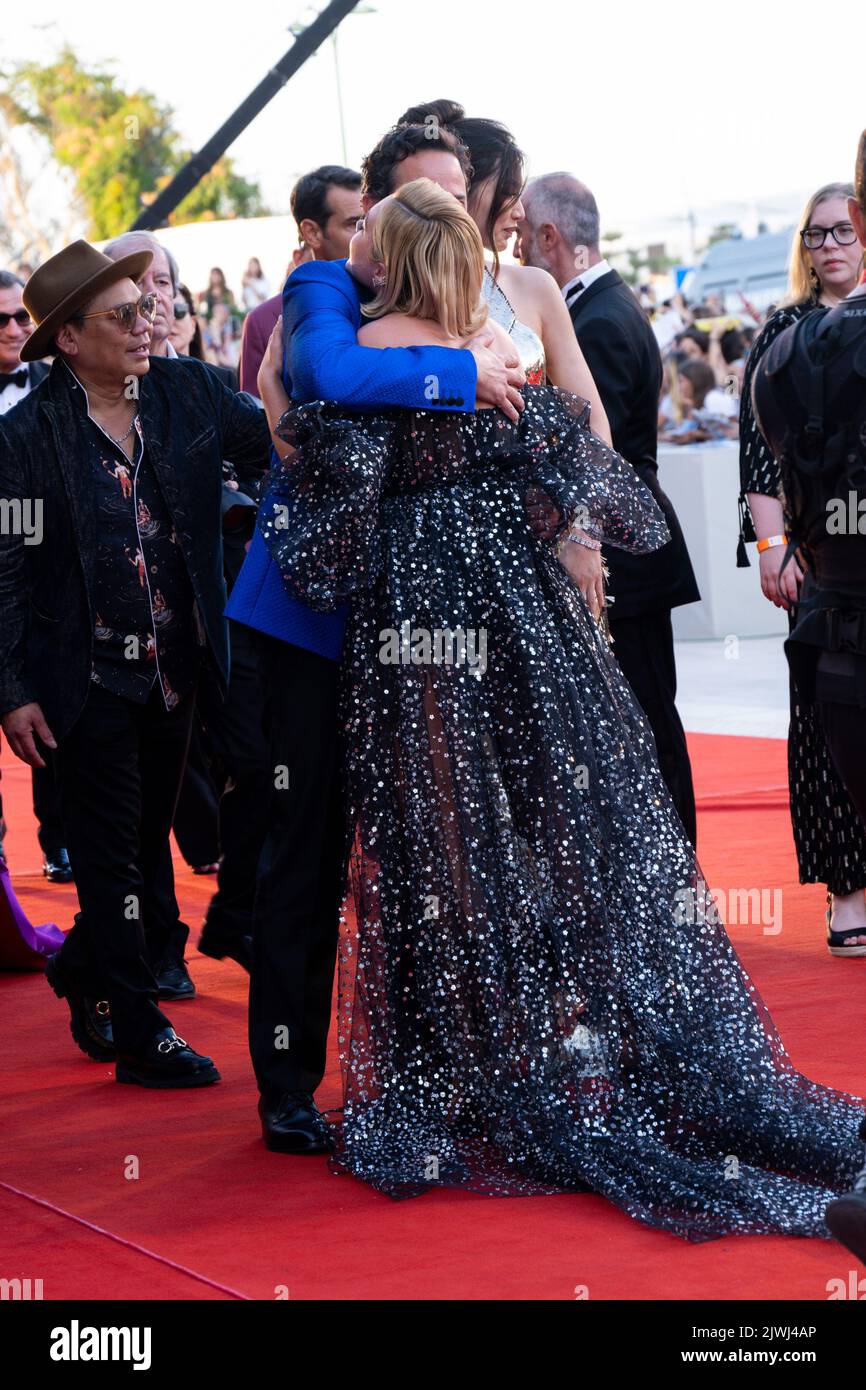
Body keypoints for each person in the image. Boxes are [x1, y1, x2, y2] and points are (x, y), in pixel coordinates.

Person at [257, 177, 866, 1241]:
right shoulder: (485, 356)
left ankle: (465, 1072)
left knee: (436, 847)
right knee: (571, 829)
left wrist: (309, 450)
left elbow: (319, 553)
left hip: (415, 638)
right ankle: (572, 1048)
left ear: (386, 259)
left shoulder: (370, 366)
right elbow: (603, 491)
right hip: (528, 628)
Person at [227, 119, 526, 1156]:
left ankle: (438, 1070)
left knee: (424, 852)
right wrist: (456, 375)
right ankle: (286, 1083)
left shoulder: (475, 311)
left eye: (446, 204)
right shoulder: (317, 291)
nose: (418, 223)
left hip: (417, 637)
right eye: (402, 204)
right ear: (370, 219)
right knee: (304, 851)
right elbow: (326, 382)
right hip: (310, 628)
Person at [0, 240, 271, 1086]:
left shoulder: (189, 393)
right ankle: (140, 1027)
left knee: (149, 839)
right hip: (82, 678)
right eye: (124, 315)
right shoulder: (25, 439)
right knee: (114, 859)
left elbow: (275, 455)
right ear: (70, 339)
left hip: (181, 667)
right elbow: (5, 566)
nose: (147, 323)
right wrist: (10, 691)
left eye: (148, 306)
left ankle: (89, 969)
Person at [519, 173, 700, 846]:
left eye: (520, 236)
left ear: (550, 236)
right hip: (627, 546)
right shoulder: (607, 307)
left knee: (647, 718)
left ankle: (678, 885)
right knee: (644, 717)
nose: (514, 259)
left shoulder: (594, 323)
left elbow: (595, 452)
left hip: (623, 551)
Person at [738, 181, 866, 955]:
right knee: (826, 721)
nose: (828, 247)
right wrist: (772, 548)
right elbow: (760, 458)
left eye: (842, 232)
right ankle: (848, 892)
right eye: (815, 235)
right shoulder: (783, 330)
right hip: (820, 562)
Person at [0, 269, 72, 884]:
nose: (12, 329)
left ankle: (60, 839)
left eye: (20, 318)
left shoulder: (58, 385)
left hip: (46, 569)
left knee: (45, 709)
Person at [238, 167, 362, 396]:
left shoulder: (394, 299)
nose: (368, 233)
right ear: (312, 233)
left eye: (369, 221)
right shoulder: (264, 321)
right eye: (353, 224)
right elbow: (254, 420)